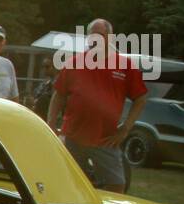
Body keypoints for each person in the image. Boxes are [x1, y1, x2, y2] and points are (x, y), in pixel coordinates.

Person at [46, 18, 147, 194]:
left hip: (106, 139)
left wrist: (126, 128)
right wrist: (51, 124)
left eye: (100, 35)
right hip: (73, 137)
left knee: (117, 185)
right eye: (92, 34)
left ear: (110, 38)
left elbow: (140, 99)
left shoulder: (124, 65)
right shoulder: (74, 62)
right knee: (67, 183)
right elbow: (59, 95)